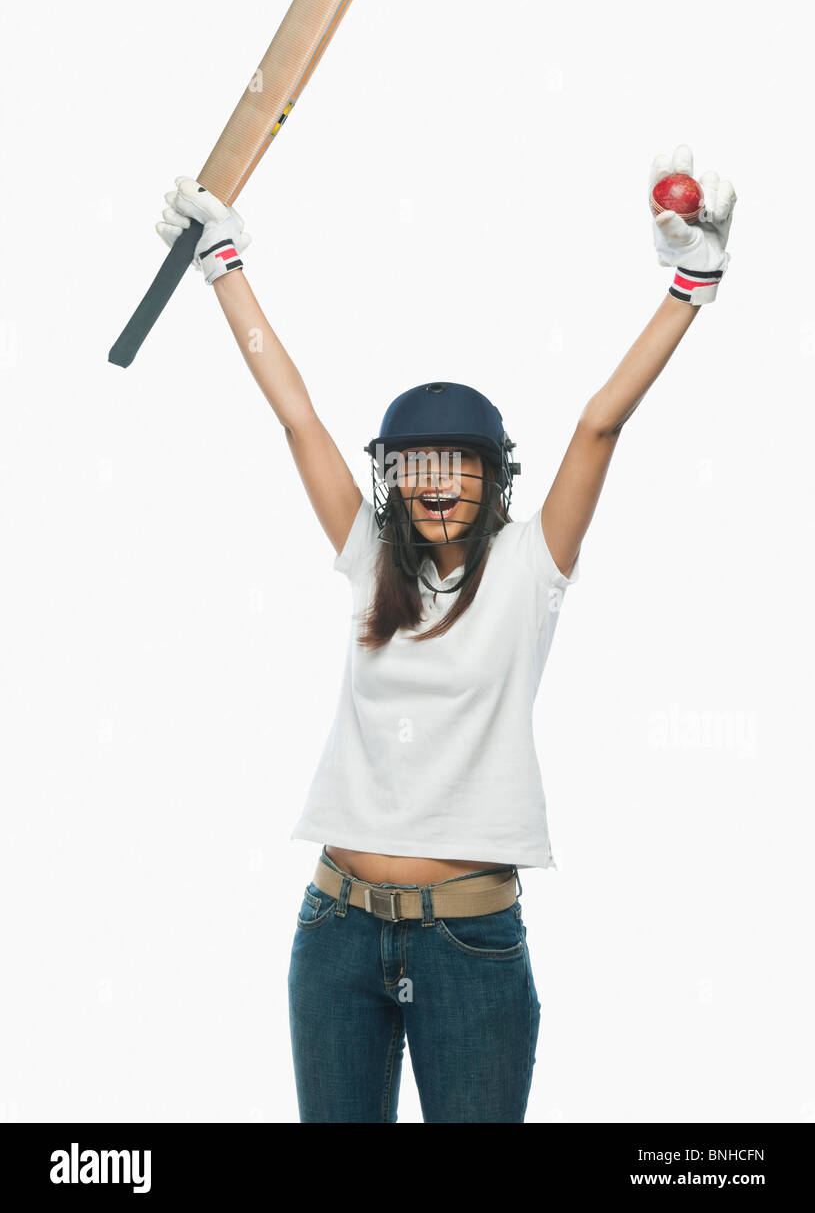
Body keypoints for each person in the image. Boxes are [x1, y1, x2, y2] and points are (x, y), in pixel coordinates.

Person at [156, 143, 736, 1123]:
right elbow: (297, 417)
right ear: (392, 481)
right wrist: (224, 266)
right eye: (416, 467)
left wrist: (689, 286)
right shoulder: (365, 559)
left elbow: (598, 424)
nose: (437, 484)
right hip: (333, 929)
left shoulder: (528, 566)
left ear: (491, 480)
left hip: (468, 942)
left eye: (459, 465)